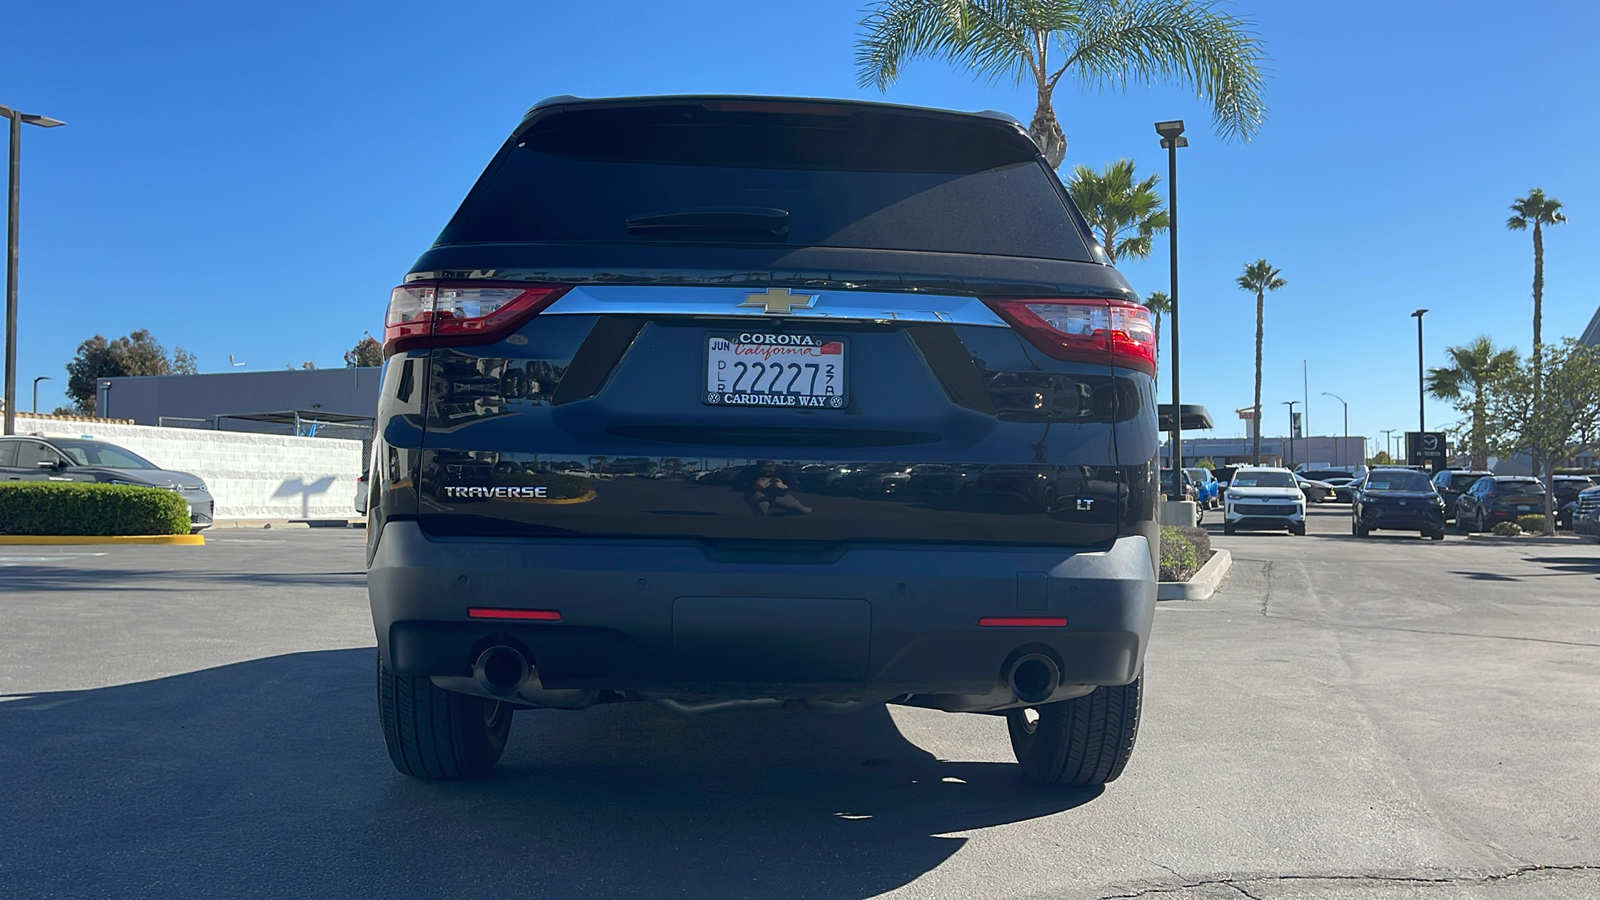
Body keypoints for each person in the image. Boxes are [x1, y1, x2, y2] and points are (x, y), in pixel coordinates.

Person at [735, 460, 812, 516]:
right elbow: (736, 486)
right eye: (763, 469)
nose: (766, 472)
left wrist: (784, 486)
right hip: (757, 495)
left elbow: (796, 486)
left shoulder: (784, 471)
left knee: (804, 511)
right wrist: (753, 486)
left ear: (774, 466)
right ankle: (760, 524)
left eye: (769, 469)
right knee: (762, 505)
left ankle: (775, 516)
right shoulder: (750, 471)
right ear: (758, 466)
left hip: (778, 495)